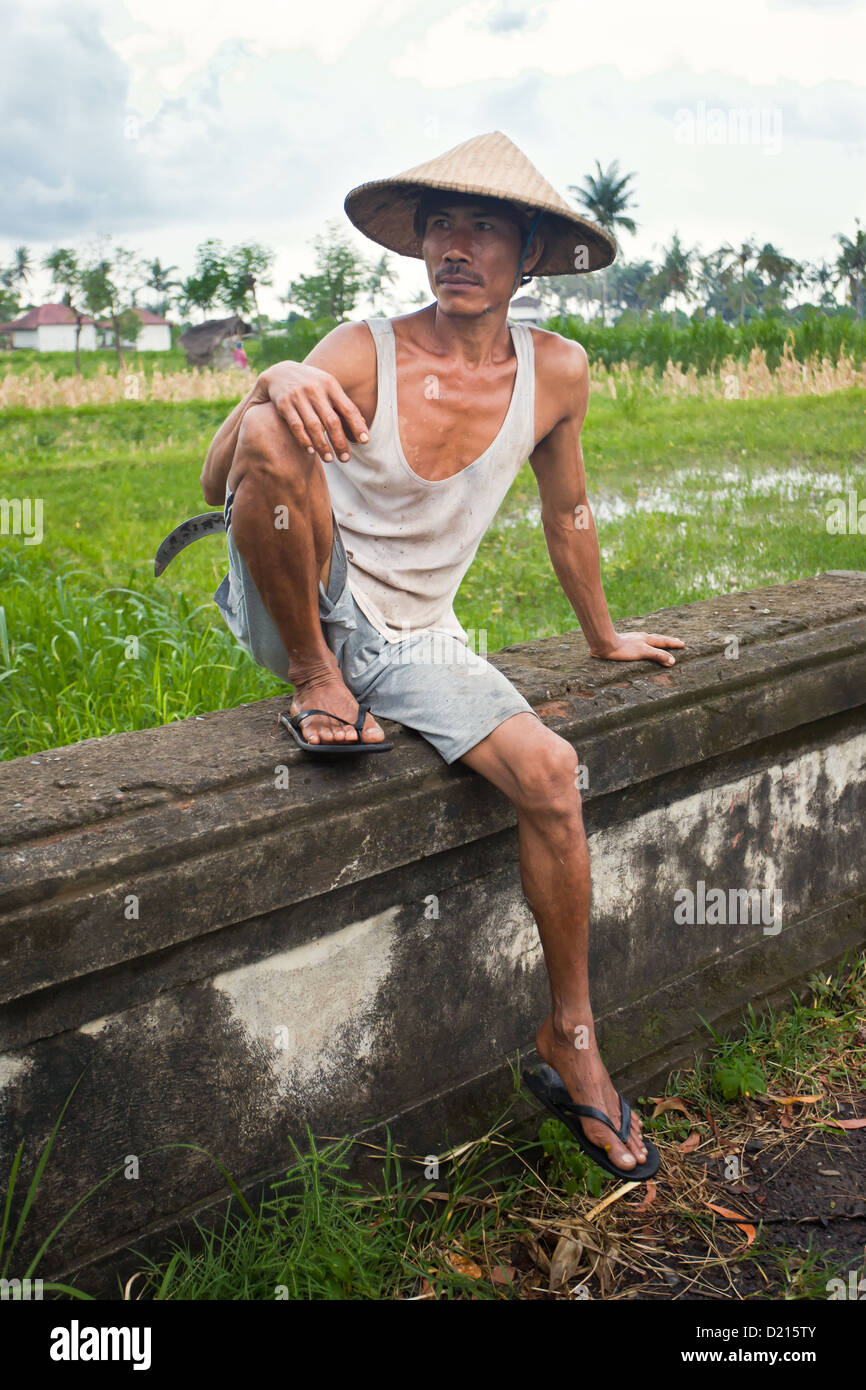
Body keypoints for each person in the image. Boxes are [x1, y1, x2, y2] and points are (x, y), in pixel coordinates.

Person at [200, 131, 685, 1176]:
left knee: (551, 775)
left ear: (529, 252)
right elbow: (222, 481)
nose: (453, 248)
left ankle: (571, 1036)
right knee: (277, 433)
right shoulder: (362, 345)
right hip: (300, 594)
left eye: (480, 228)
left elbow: (570, 511)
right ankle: (314, 681)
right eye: (437, 227)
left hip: (416, 636)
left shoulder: (557, 371)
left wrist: (602, 634)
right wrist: (272, 379)